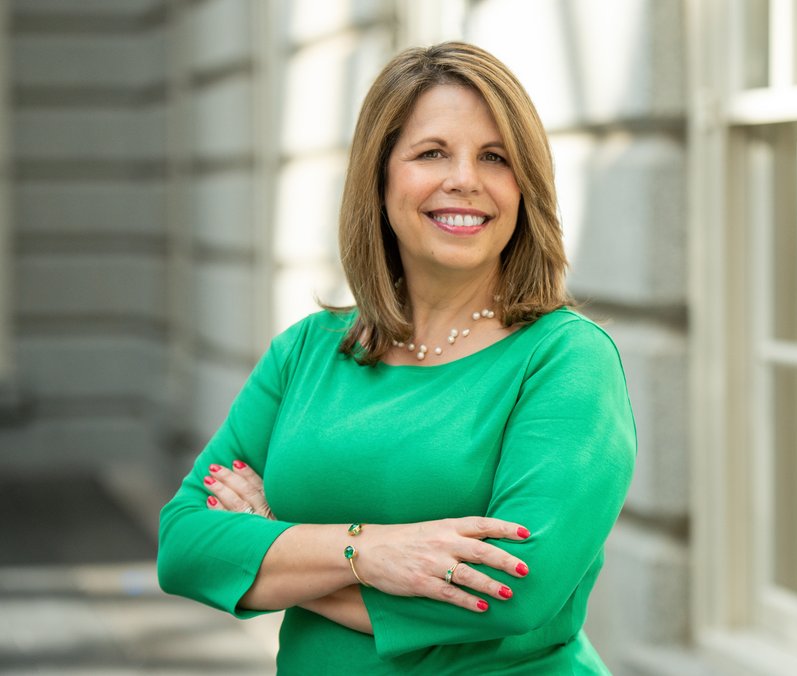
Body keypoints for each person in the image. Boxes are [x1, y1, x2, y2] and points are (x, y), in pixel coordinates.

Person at [157, 42, 637, 674]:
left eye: (495, 157)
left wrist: (279, 546)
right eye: (432, 152)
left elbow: (514, 592)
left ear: (525, 188)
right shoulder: (309, 351)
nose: (464, 178)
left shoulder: (566, 360)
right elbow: (185, 546)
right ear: (380, 178)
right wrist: (368, 550)